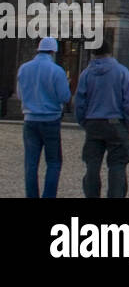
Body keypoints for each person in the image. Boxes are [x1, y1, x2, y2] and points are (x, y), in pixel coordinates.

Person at [73, 35, 129, 198]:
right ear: (110, 52)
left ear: (93, 53)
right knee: (117, 165)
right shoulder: (122, 72)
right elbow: (128, 103)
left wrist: (84, 122)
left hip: (93, 123)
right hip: (116, 123)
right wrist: (127, 124)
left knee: (92, 165)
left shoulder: (86, 74)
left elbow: (79, 102)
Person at [18, 37, 72, 198]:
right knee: (54, 162)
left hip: (29, 120)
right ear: (53, 51)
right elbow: (65, 97)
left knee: (31, 164)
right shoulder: (57, 71)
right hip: (50, 120)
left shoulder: (23, 68)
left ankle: (31, 196)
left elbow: (20, 95)